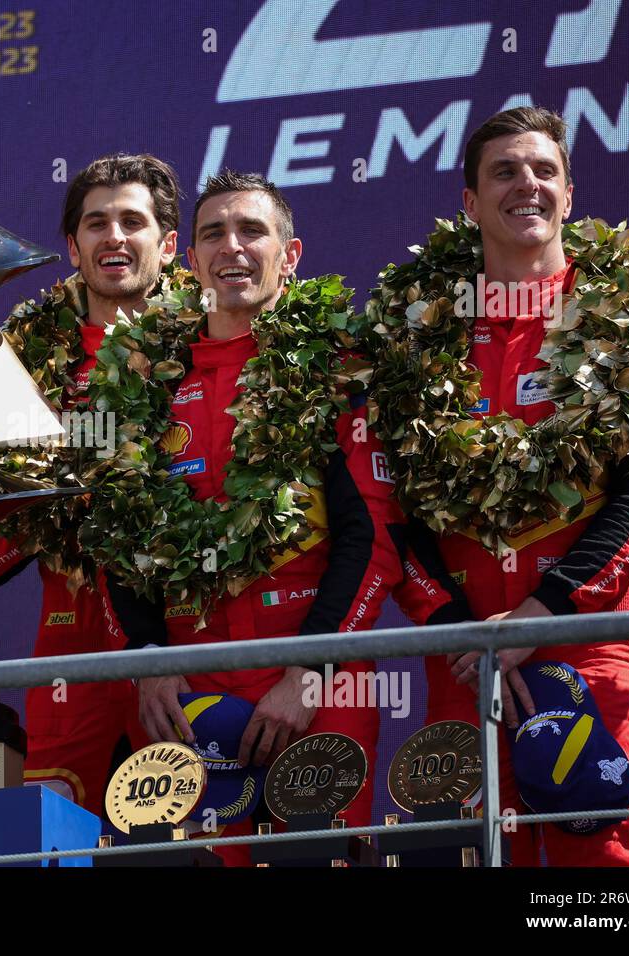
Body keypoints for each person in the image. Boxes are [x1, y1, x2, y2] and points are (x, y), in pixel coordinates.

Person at [136, 171, 464, 862]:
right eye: (213, 233)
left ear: (291, 255)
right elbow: (121, 537)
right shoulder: (147, 382)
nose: (233, 246)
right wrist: (148, 663)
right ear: (189, 261)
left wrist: (308, 673)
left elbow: (371, 538)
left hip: (317, 674)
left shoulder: (336, 371)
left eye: (253, 230)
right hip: (188, 687)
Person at [410, 107, 629, 866]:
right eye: (503, 171)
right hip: (463, 662)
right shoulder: (418, 334)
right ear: (469, 203)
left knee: (594, 883)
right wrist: (455, 631)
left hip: (587, 652)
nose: (525, 184)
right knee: (466, 861)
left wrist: (538, 618)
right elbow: (390, 512)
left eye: (543, 171)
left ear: (569, 193)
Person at [0, 154, 180, 818]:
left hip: (191, 629)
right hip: (72, 641)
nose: (114, 236)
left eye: (132, 222)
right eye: (96, 223)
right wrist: (61, 466)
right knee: (58, 840)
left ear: (168, 245)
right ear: (72, 246)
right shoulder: (23, 359)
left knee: (197, 840)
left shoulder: (215, 339)